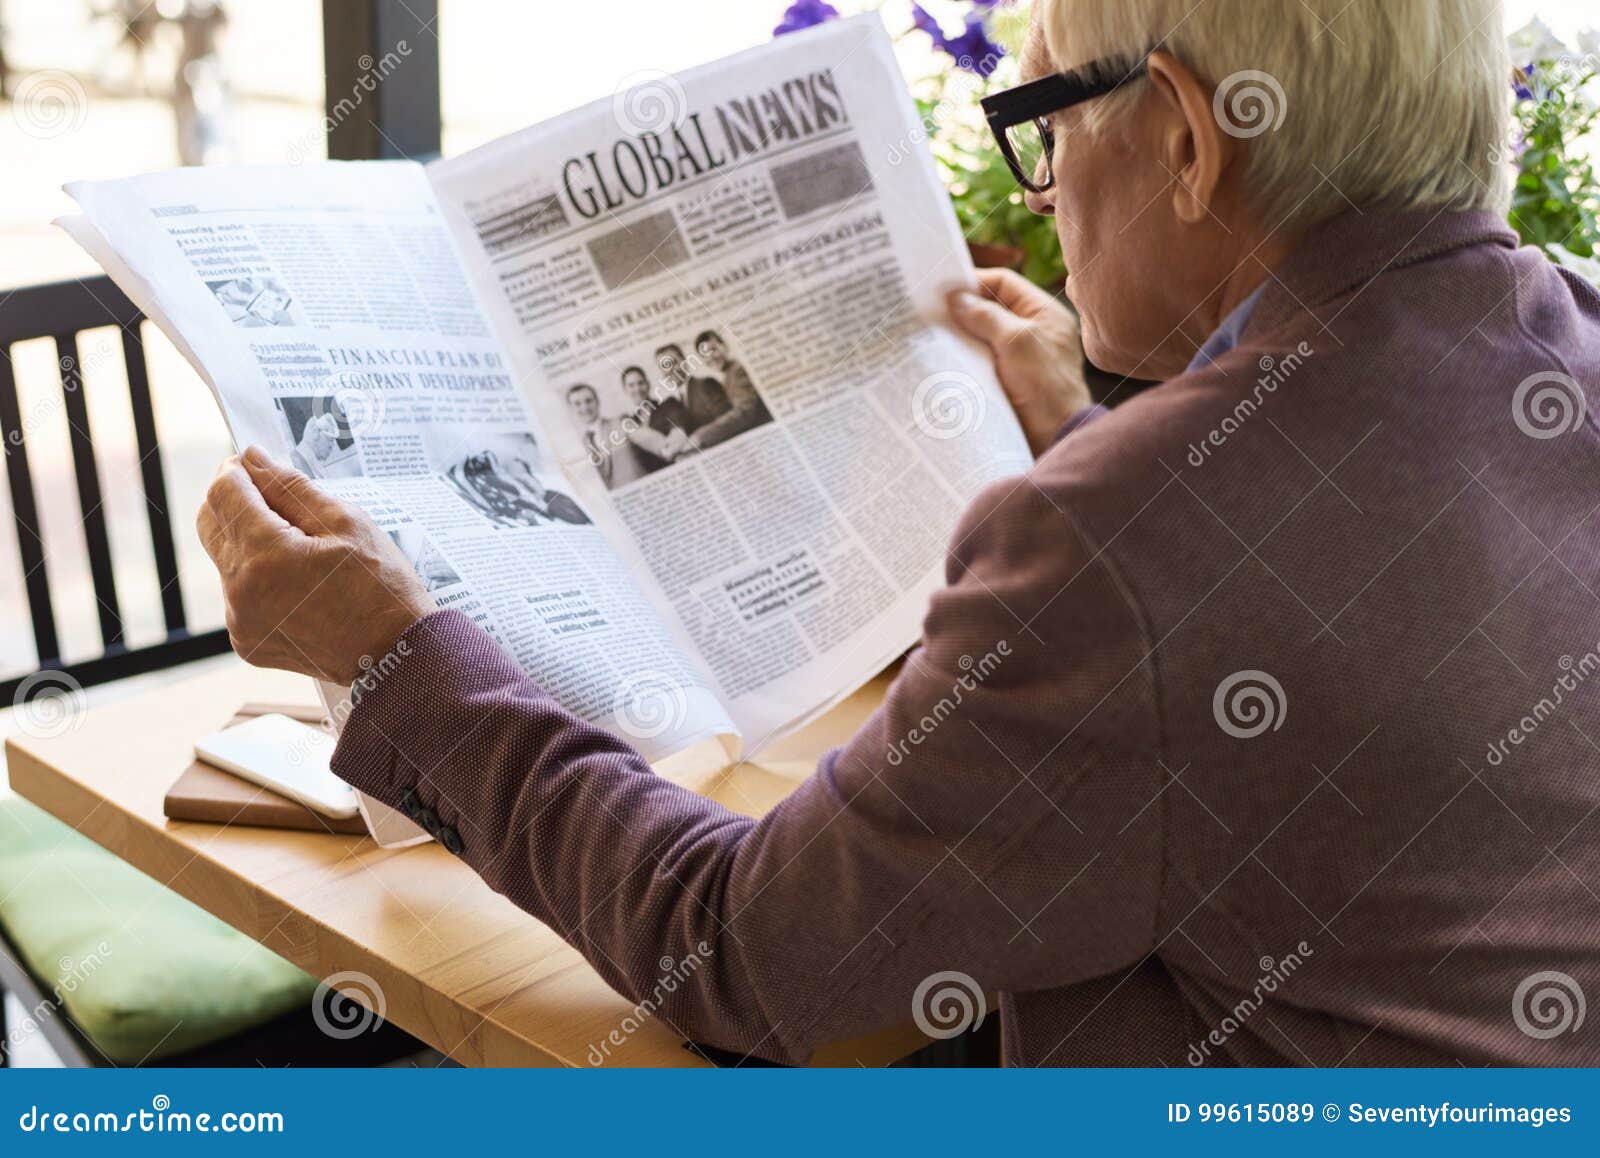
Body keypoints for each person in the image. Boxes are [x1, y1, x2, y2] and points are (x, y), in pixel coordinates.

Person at [197, 0, 1599, 1067]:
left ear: (1182, 131)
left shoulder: (1126, 542)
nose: (1043, 190)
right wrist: (1112, 432)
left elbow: (743, 956)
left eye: (1045, 125)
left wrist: (392, 655)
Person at [684, 330, 772, 451]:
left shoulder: (737, 372)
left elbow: (744, 413)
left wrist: (700, 436)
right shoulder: (728, 376)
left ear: (724, 346)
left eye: (713, 349)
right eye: (704, 355)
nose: (710, 357)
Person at [566, 382, 648, 490]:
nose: (585, 407)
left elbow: (655, 443)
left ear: (597, 402)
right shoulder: (581, 445)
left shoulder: (621, 422)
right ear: (571, 409)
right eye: (577, 404)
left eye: (589, 401)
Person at [620, 365, 690, 469]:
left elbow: (679, 438)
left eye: (640, 383)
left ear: (648, 384)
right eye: (631, 385)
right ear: (625, 390)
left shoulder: (669, 405)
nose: (637, 389)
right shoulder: (632, 423)